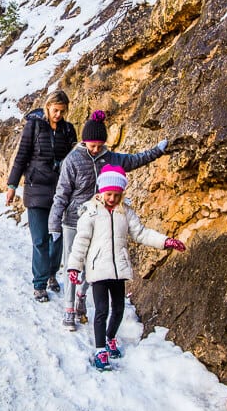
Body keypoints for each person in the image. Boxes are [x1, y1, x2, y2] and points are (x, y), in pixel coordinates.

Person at [49, 110, 168, 330]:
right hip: (73, 221)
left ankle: (82, 296)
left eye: (99, 145)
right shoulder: (72, 160)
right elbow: (62, 193)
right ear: (84, 142)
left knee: (90, 264)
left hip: (99, 220)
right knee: (72, 264)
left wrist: (157, 152)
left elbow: (135, 159)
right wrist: (54, 224)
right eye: (91, 145)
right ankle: (68, 309)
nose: (95, 149)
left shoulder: (110, 158)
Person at [66, 164, 186, 371]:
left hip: (119, 269)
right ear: (102, 192)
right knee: (102, 310)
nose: (112, 198)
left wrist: (165, 241)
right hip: (98, 270)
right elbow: (81, 241)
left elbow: (141, 233)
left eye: (117, 194)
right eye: (109, 194)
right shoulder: (91, 212)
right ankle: (100, 350)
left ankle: (110, 336)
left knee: (119, 309)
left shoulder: (125, 212)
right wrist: (74, 267)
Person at [6, 90, 77, 302]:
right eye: (55, 110)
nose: (58, 115)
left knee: (56, 238)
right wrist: (12, 185)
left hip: (60, 191)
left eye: (62, 111)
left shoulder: (68, 130)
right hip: (36, 188)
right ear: (47, 107)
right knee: (39, 239)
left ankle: (52, 274)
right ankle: (39, 284)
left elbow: (74, 159)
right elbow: (21, 156)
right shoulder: (34, 126)